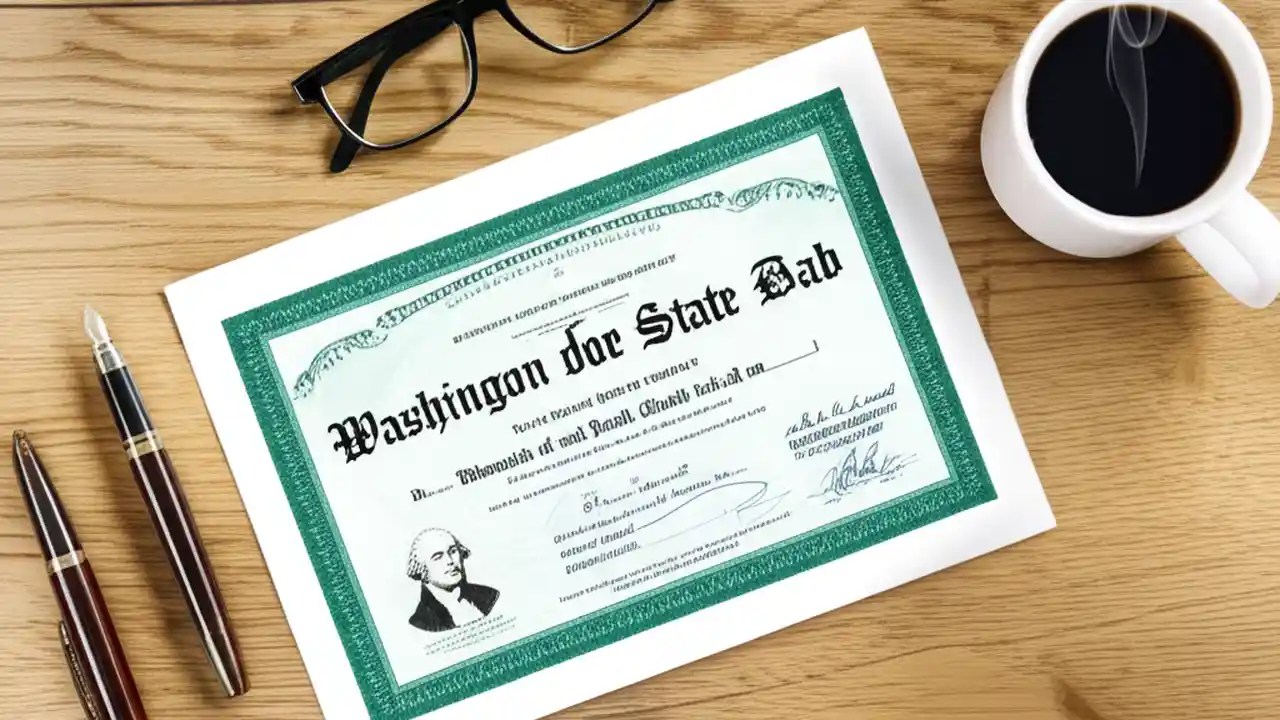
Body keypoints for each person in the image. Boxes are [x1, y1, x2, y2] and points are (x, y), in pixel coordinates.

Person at [405, 528, 499, 632]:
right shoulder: (420, 621)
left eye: (453, 551)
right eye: (438, 557)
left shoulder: (490, 595)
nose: (450, 561)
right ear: (421, 568)